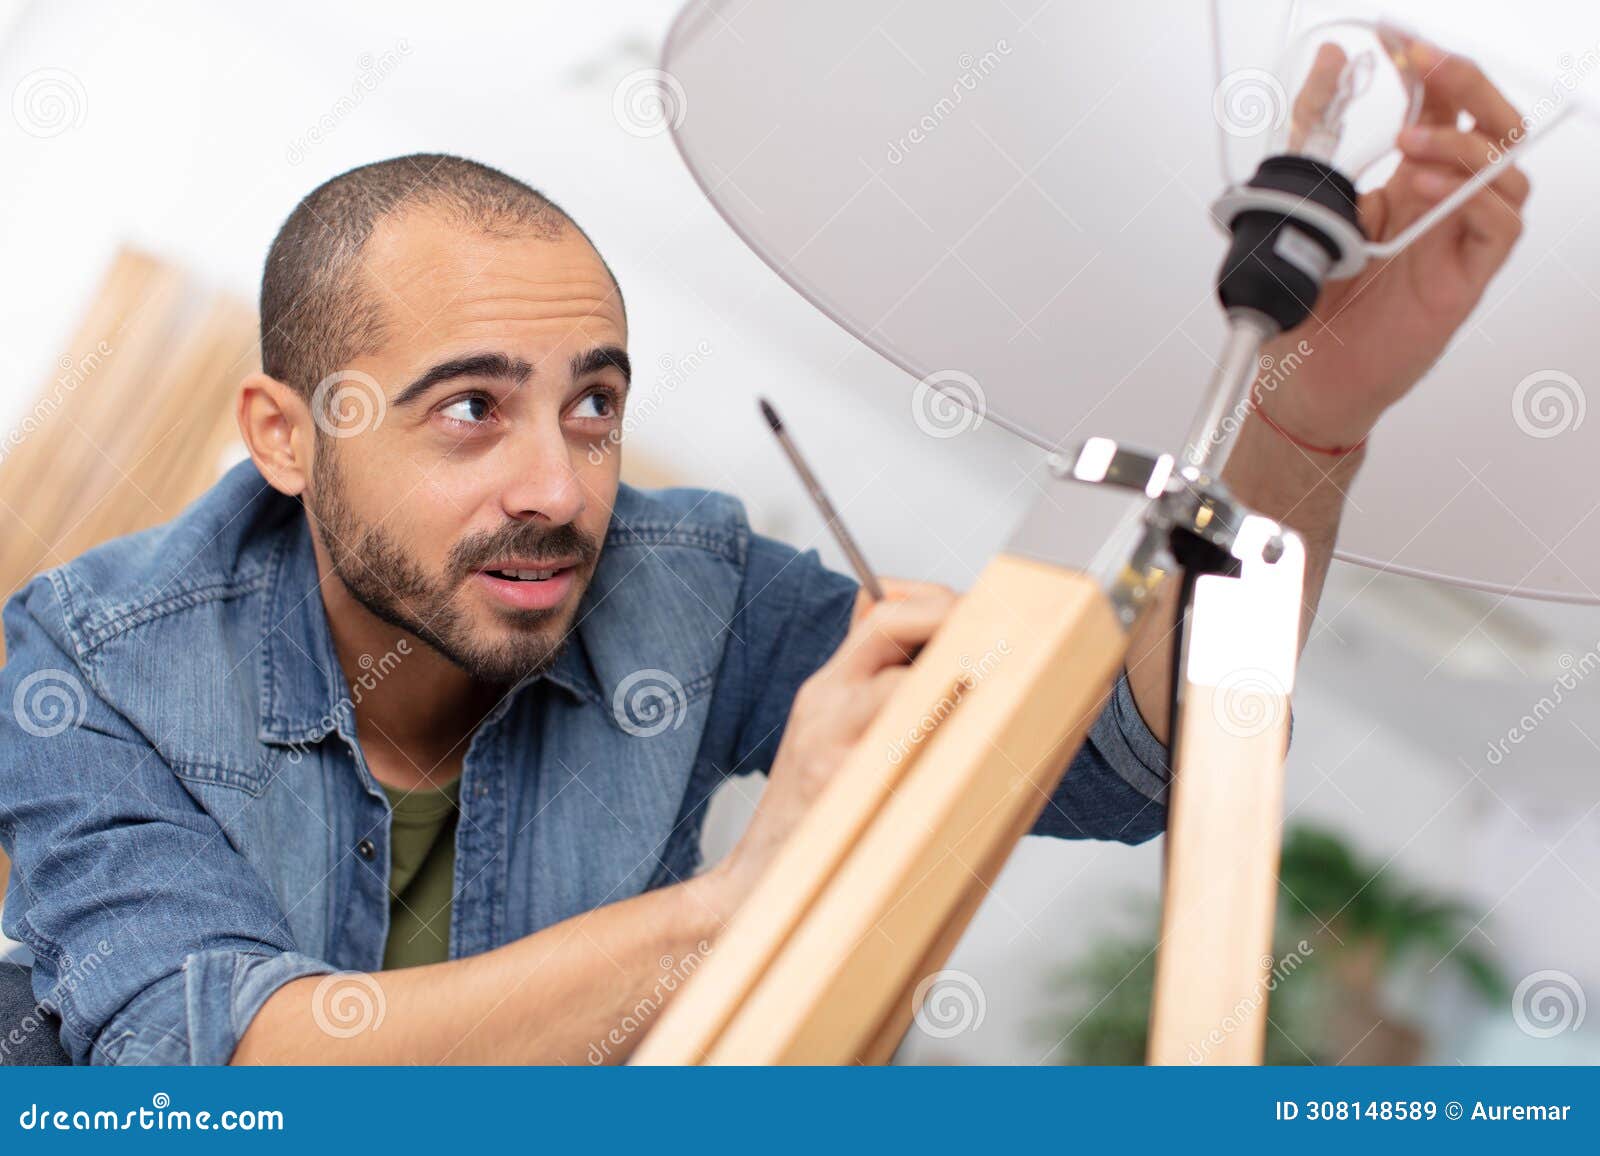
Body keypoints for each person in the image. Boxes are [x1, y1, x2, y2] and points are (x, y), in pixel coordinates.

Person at [0, 43, 1529, 1064]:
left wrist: (1306, 419)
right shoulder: (81, 663)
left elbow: (1122, 755)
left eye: (592, 404)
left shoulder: (687, 585)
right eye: (471, 408)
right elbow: (213, 1077)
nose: (560, 485)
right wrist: (744, 902)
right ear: (285, 434)